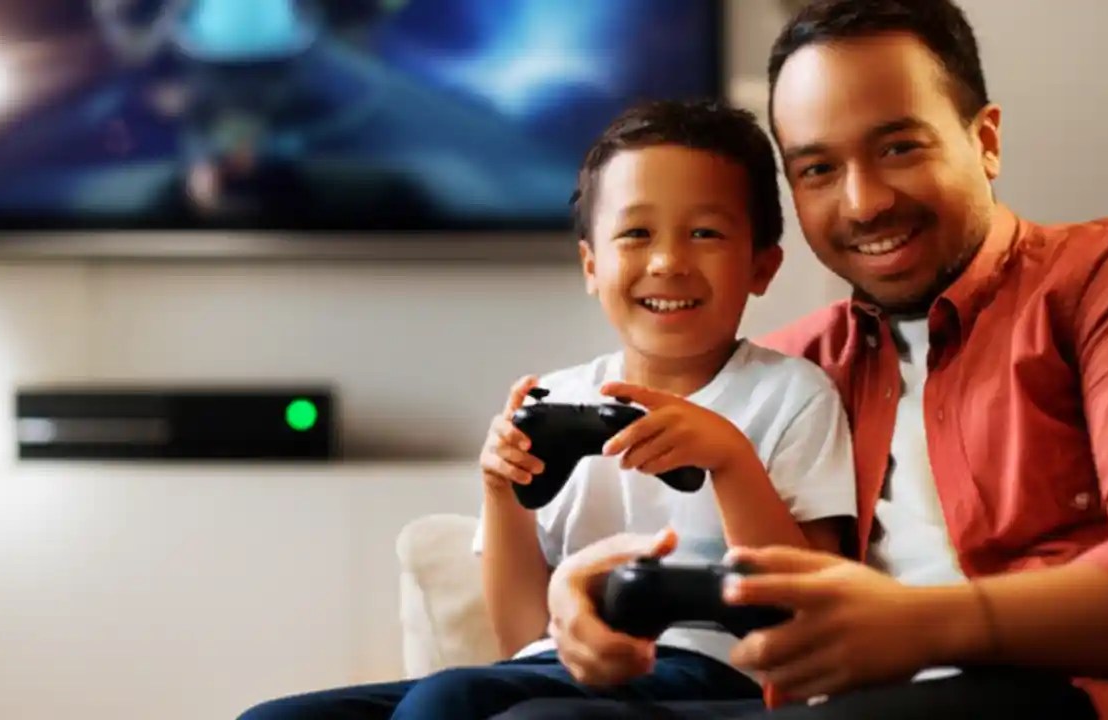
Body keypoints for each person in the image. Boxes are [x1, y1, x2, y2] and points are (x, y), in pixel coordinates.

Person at [493, 1, 1108, 719]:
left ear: (985, 141)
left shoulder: (1101, 284)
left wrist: (918, 626)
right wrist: (584, 598)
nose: (864, 202)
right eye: (819, 168)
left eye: (899, 149)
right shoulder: (800, 370)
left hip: (1050, 696)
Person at [233, 98, 859, 720]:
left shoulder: (792, 395)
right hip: (553, 664)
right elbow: (520, 637)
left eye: (705, 233)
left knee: (450, 699)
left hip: (714, 677)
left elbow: (803, 610)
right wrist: (500, 492)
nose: (668, 262)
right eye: (636, 234)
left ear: (762, 265)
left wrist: (729, 460)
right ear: (592, 265)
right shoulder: (558, 401)